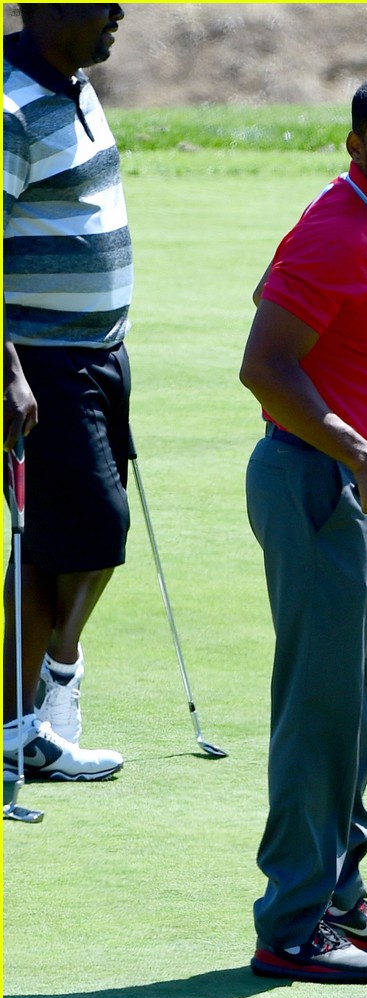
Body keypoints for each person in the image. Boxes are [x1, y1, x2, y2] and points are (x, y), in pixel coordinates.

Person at [239, 74, 367, 985]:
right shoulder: (337, 229)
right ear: (355, 146)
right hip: (320, 482)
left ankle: (338, 892)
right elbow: (264, 366)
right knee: (318, 713)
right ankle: (290, 927)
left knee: (361, 699)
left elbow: (275, 298)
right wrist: (362, 455)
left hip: (355, 484)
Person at [3, 3, 131, 782]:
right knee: (79, 533)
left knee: (65, 543)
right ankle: (31, 711)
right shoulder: (10, 106)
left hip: (95, 354)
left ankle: (31, 716)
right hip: (39, 367)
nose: (119, 12)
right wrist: (8, 372)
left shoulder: (73, 82)